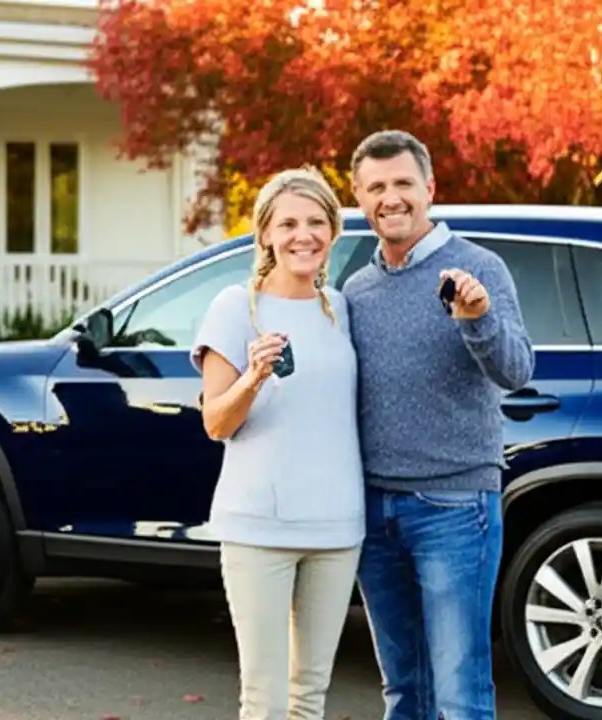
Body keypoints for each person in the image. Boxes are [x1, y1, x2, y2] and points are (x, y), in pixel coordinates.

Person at [340, 130, 535, 720]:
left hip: (453, 506)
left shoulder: (478, 268)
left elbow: (517, 371)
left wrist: (476, 320)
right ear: (358, 195)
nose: (390, 198)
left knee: (459, 694)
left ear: (429, 188)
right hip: (375, 510)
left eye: (402, 184)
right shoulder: (357, 288)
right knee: (403, 690)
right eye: (375, 187)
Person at [191, 166, 365, 720]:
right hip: (258, 528)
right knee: (264, 701)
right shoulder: (234, 308)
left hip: (337, 529)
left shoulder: (342, 310)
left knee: (309, 696)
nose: (303, 235)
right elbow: (216, 422)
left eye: (316, 222)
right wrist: (253, 377)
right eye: (288, 222)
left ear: (332, 233)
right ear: (265, 233)